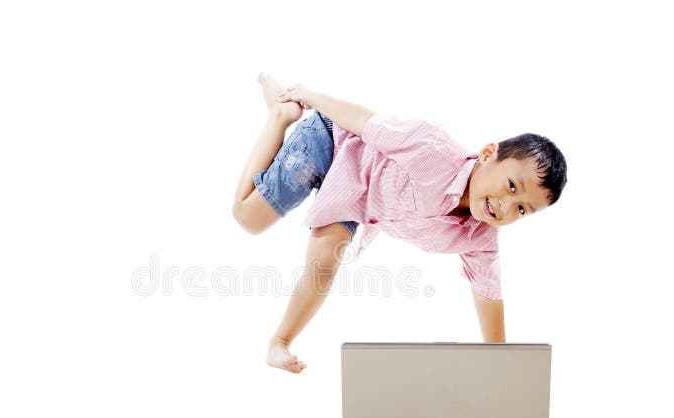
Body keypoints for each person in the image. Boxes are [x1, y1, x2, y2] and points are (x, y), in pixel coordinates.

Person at [232, 73, 567, 374]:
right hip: (331, 141)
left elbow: (488, 296)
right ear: (488, 153)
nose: (506, 206)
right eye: (512, 187)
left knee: (325, 260)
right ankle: (280, 114)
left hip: (351, 196)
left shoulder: (480, 238)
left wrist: (501, 369)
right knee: (249, 218)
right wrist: (310, 96)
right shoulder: (433, 149)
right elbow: (364, 121)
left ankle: (280, 342)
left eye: (522, 209)